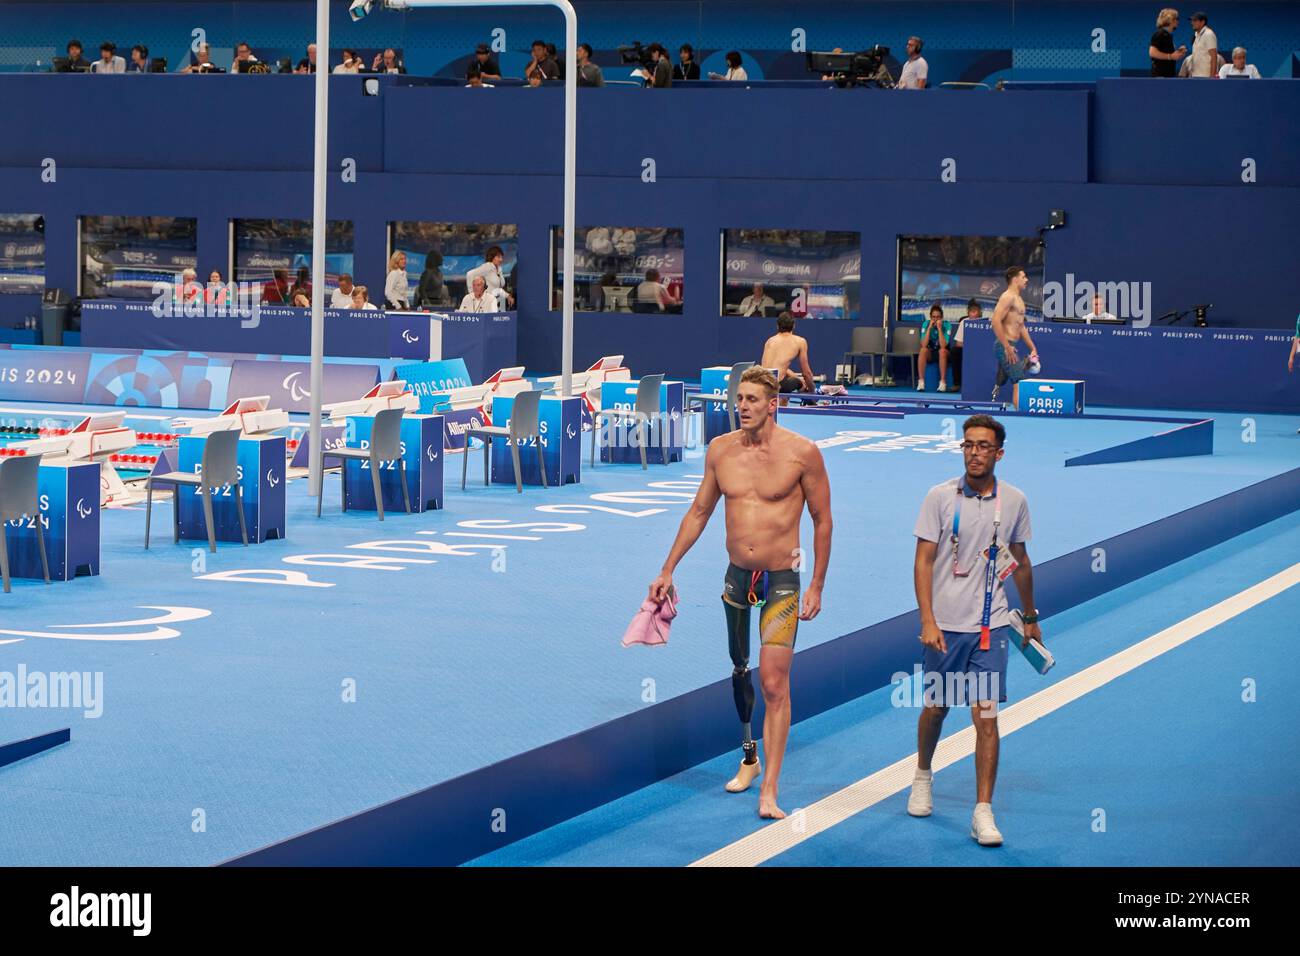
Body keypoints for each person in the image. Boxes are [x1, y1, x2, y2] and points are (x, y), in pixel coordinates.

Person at [648, 367, 831, 819]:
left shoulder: (802, 454)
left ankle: (770, 788)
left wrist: (817, 584)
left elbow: (822, 520)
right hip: (737, 577)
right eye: (739, 398)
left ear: (773, 403)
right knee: (740, 671)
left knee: (774, 682)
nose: (742, 406)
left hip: (781, 581)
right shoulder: (720, 451)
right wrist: (668, 568)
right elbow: (699, 512)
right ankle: (749, 755)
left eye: (751, 399)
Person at [908, 414, 1039, 847]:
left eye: (983, 446)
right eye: (968, 445)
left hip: (991, 626)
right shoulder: (939, 498)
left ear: (998, 453)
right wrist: (927, 619)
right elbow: (923, 561)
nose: (975, 452)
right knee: (937, 709)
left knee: (986, 718)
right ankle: (923, 774)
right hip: (945, 627)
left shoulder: (1015, 501)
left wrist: (1032, 616)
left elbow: (1019, 559)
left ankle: (983, 811)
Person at [991, 265, 1040, 407]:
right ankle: (1020, 417)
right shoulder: (1007, 297)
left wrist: (1033, 348)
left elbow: (1021, 326)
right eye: (1023, 277)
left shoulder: (1018, 299)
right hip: (1004, 346)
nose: (1027, 279)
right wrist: (1007, 346)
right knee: (1019, 382)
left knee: (1012, 377)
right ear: (1014, 279)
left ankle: (999, 384)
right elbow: (995, 321)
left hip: (1010, 346)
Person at [761, 312, 815, 404]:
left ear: (777, 326)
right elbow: (806, 373)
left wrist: (795, 376)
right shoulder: (800, 341)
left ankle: (781, 404)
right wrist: (812, 391)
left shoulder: (770, 341)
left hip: (763, 383)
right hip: (777, 386)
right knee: (801, 384)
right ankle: (810, 402)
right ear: (793, 326)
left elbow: (771, 367)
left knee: (792, 381)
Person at [918, 301, 950, 392]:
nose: (936, 319)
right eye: (933, 317)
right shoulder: (926, 324)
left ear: (942, 317)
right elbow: (923, 344)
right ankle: (921, 382)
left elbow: (943, 345)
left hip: (943, 353)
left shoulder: (947, 325)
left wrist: (939, 329)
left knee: (942, 351)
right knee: (923, 350)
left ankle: (943, 382)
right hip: (930, 352)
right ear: (930, 317)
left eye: (938, 317)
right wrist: (929, 328)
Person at [951, 299, 981, 390]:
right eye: (972, 311)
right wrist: (969, 347)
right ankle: (957, 383)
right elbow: (958, 342)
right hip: (966, 349)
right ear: (968, 313)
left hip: (981, 350)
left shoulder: (986, 322)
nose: (974, 314)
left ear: (980, 313)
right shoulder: (964, 322)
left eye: (975, 311)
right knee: (955, 351)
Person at [1149, 9, 1188, 77]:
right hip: (1160, 76)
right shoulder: (1159, 34)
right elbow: (1152, 53)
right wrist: (1171, 56)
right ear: (1170, 20)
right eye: (1176, 18)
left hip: (1167, 74)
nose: (1178, 21)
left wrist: (1178, 53)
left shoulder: (1167, 35)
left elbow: (1170, 55)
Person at [1188, 12, 1218, 78]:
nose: (1192, 23)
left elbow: (1214, 57)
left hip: (1205, 77)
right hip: (1195, 75)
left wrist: (1212, 77)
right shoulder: (1196, 35)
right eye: (1192, 20)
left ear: (1203, 22)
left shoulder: (1208, 34)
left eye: (1195, 20)